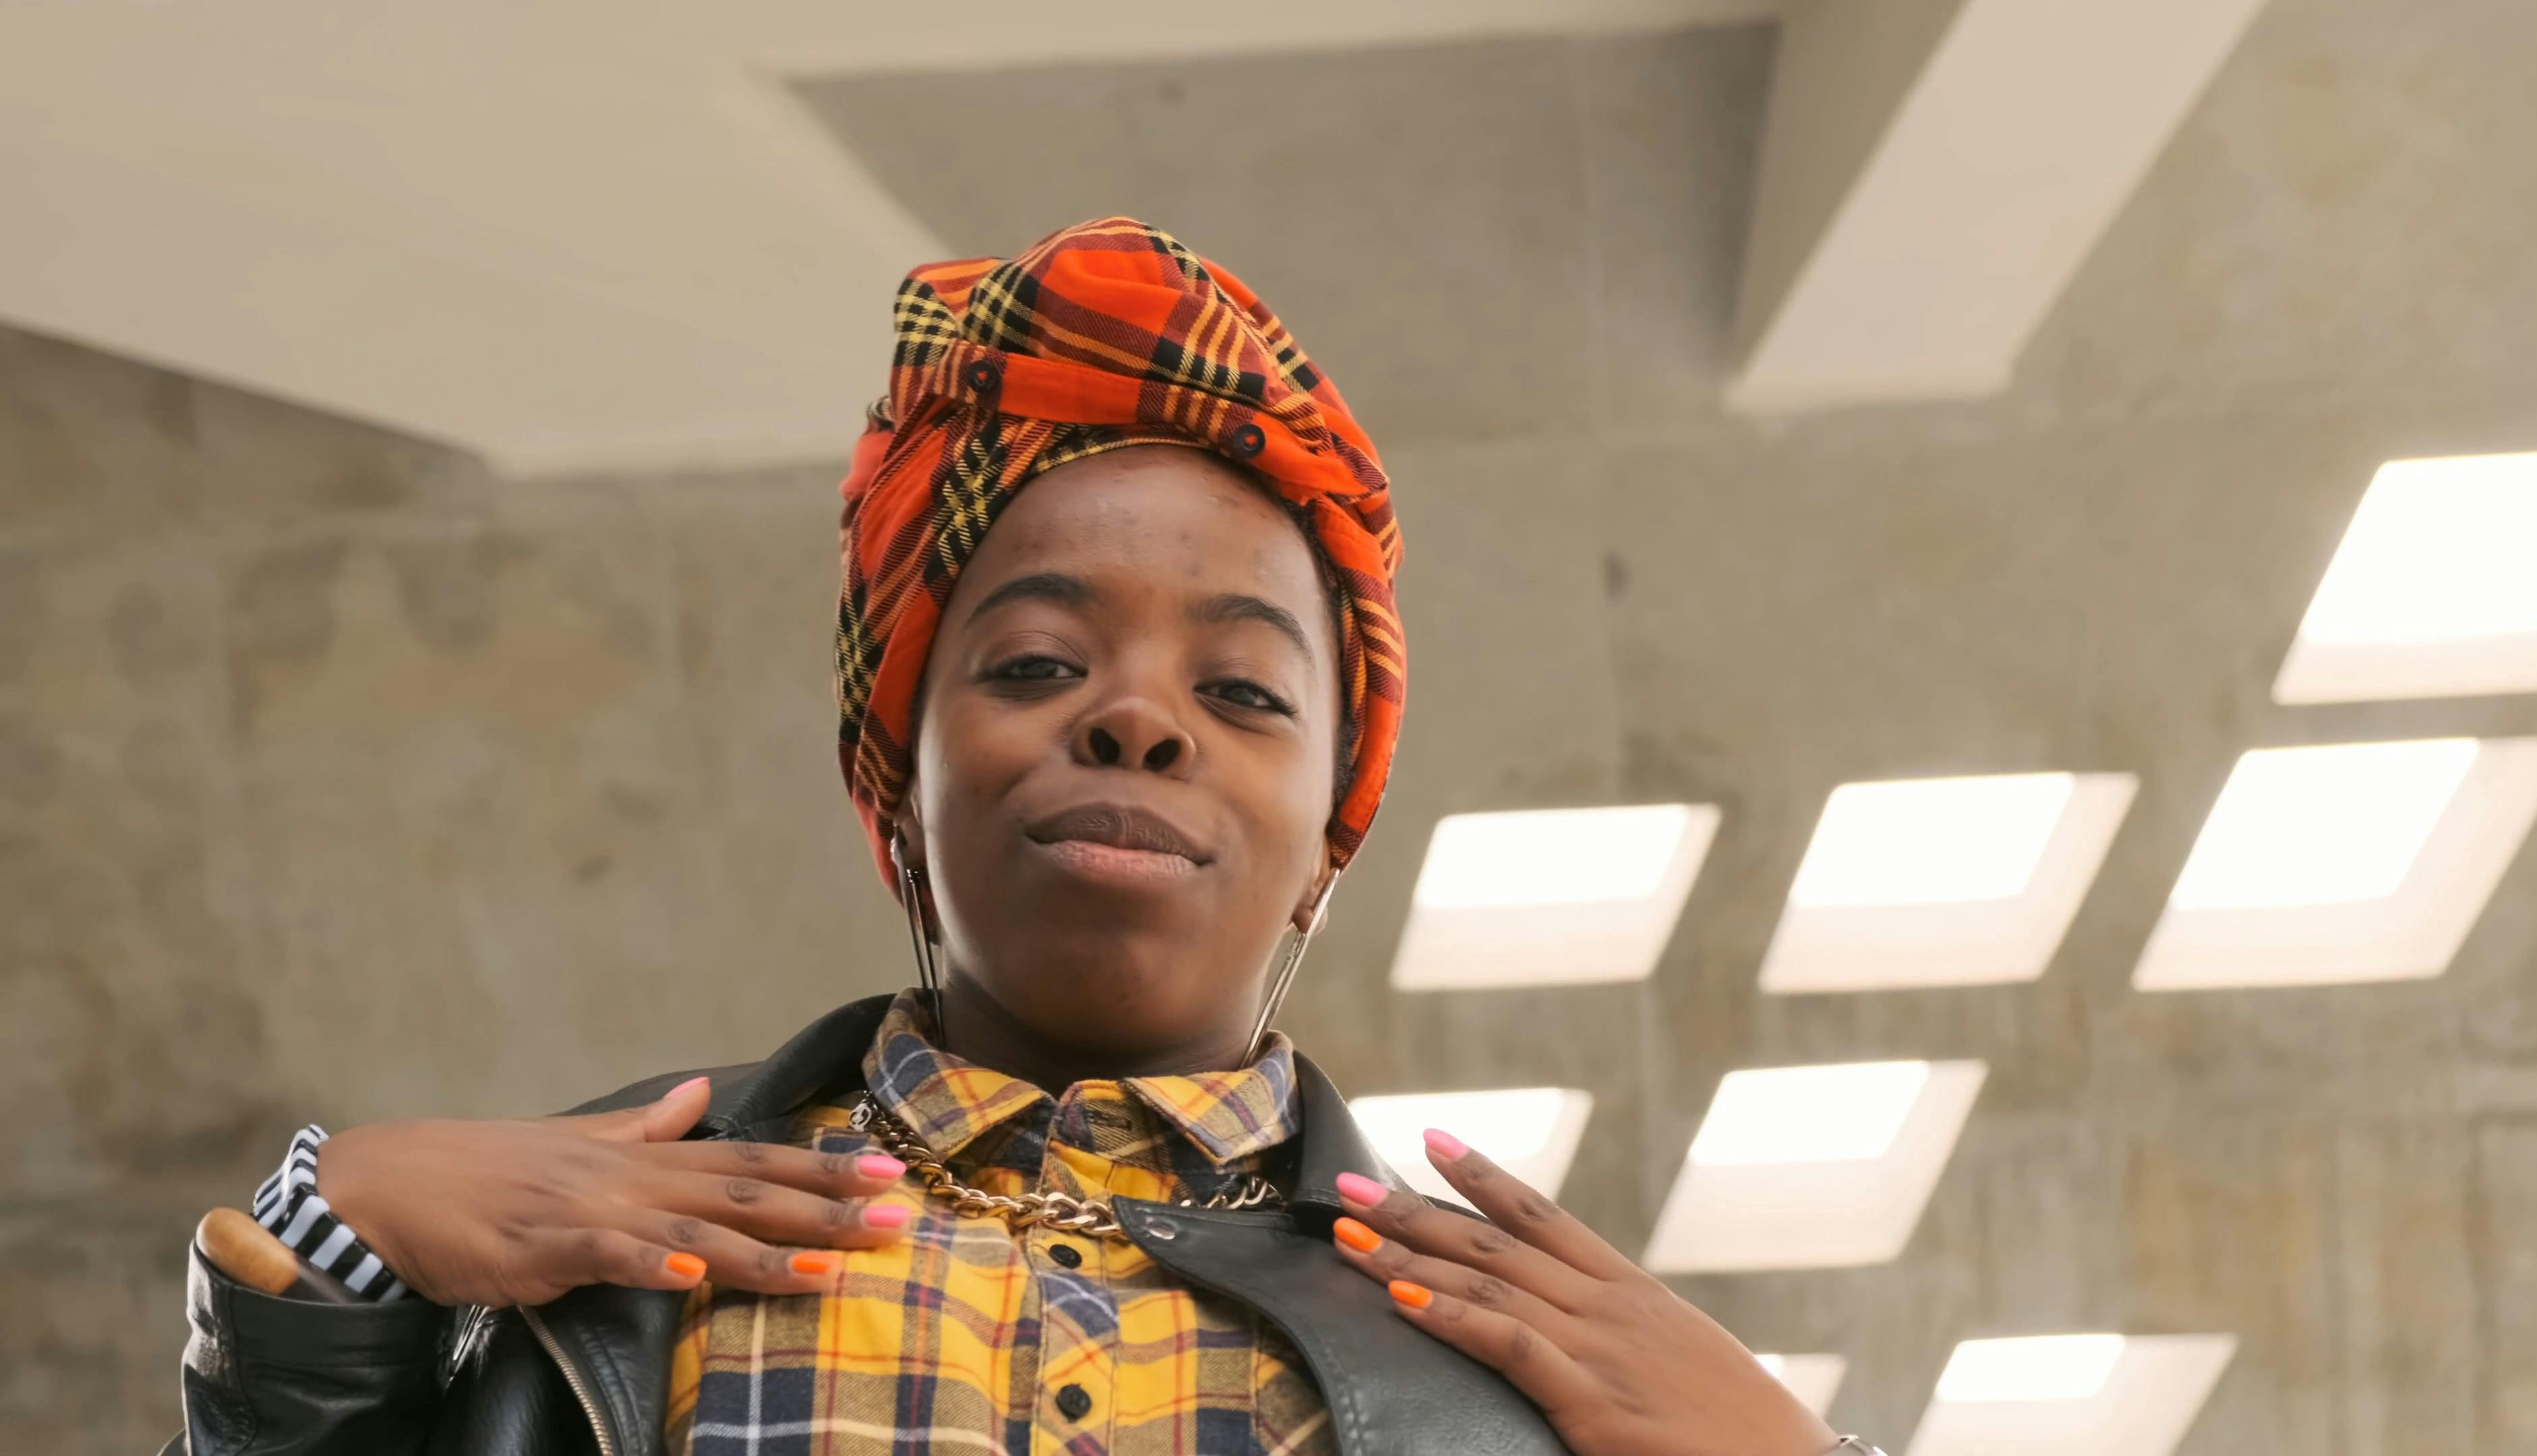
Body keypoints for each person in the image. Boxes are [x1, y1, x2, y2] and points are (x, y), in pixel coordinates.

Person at [169, 218, 1876, 1456]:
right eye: (1040, 664)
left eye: (1246, 693)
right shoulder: (603, 1249)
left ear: (1330, 841)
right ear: (896, 778)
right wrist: (334, 1243)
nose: (1138, 720)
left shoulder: (1518, 1357)